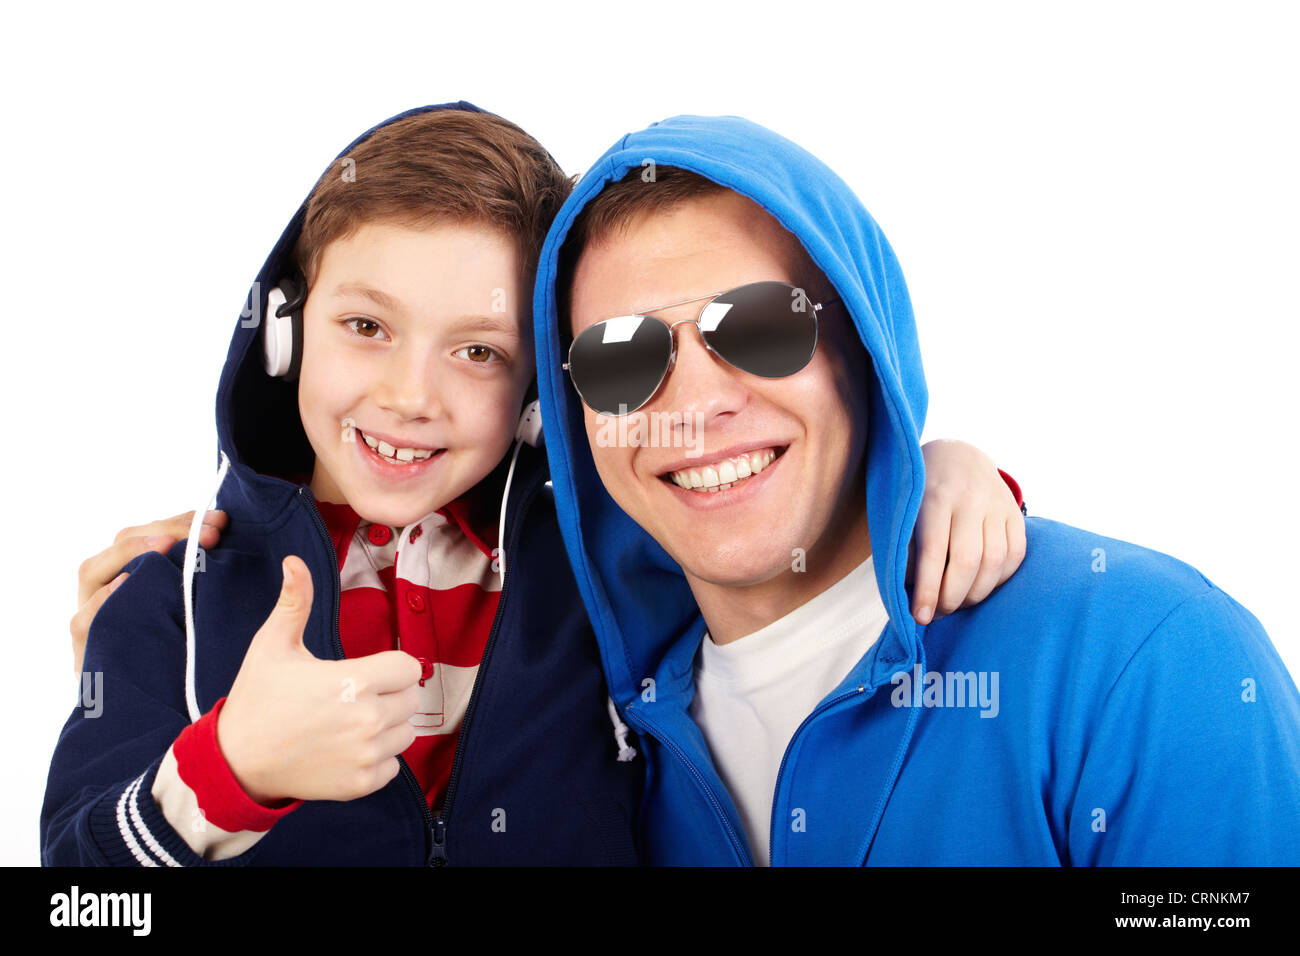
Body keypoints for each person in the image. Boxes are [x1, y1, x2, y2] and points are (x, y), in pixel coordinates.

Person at [47, 103, 1027, 866]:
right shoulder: (167, 600)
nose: (409, 395)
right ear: (286, 331)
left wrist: (931, 469)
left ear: (536, 390)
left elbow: (771, 530)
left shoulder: (610, 555)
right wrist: (225, 771)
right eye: (366, 326)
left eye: (478, 349)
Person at [535, 114, 1300, 865]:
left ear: (865, 344)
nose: (698, 406)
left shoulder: (1146, 655)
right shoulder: (598, 759)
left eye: (760, 326)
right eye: (618, 359)